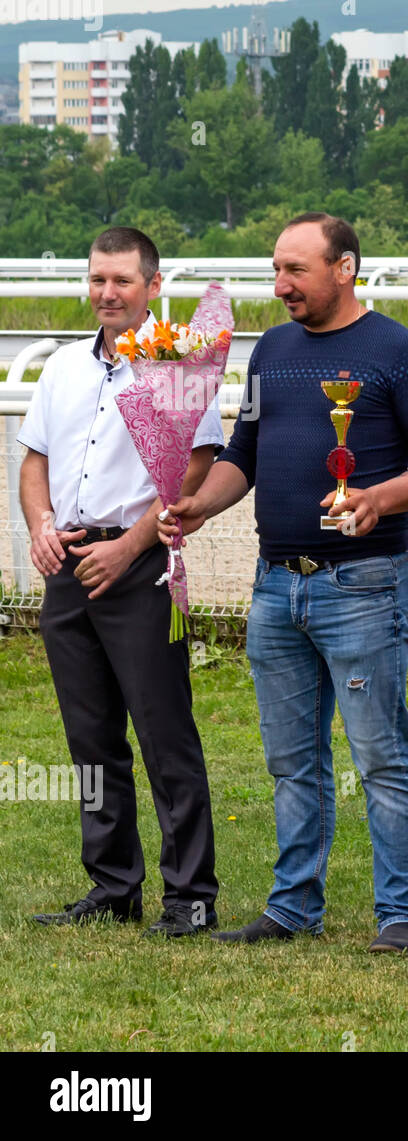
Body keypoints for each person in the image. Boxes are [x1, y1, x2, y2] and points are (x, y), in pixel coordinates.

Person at [160, 213, 408, 953]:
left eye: (296, 270)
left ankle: (400, 915)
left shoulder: (398, 353)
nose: (281, 285)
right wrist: (202, 502)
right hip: (275, 588)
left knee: (381, 757)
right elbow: (244, 452)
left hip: (362, 583)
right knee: (291, 760)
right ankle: (293, 906)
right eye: (276, 269)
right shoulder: (272, 350)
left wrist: (375, 499)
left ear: (347, 267)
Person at [20, 226, 222, 936]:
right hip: (69, 570)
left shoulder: (180, 360)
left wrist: (132, 545)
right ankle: (112, 886)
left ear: (153, 286)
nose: (108, 292)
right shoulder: (63, 366)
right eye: (98, 279)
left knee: (165, 734)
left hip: (140, 570)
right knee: (90, 738)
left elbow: (197, 468)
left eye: (123, 281)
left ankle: (191, 893)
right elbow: (34, 461)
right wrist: (41, 525)